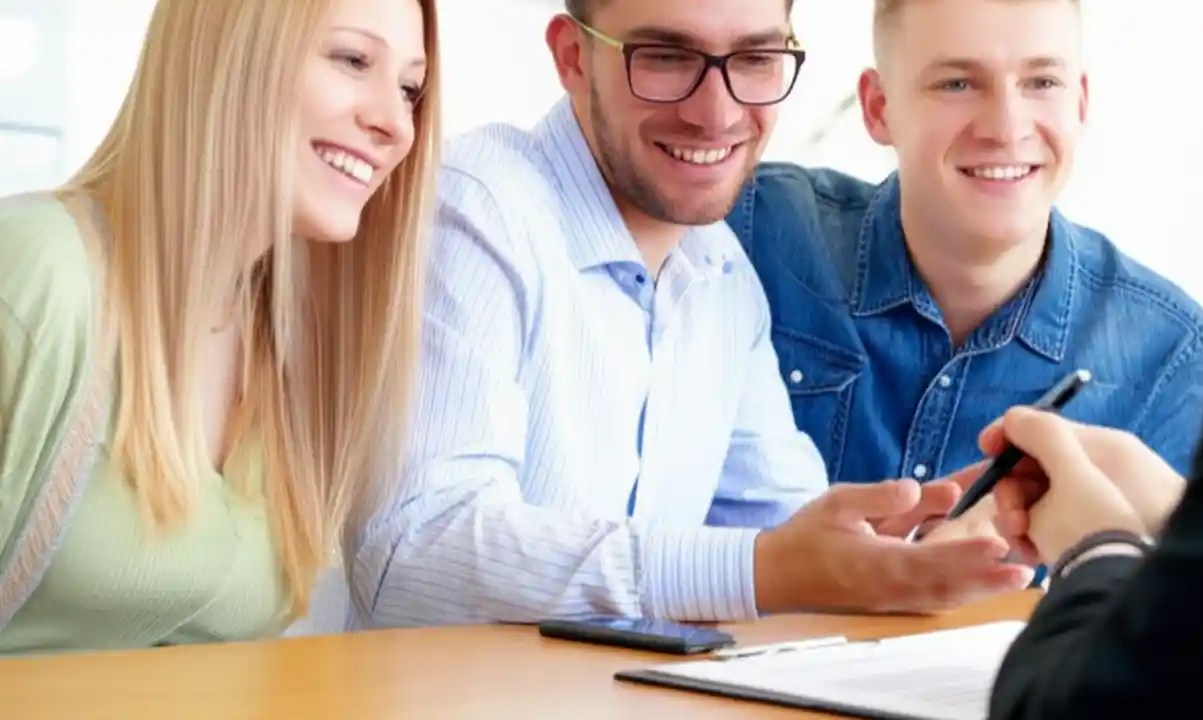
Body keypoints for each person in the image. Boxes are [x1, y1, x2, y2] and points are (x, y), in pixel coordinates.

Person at [347, 0, 1033, 629]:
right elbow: (413, 556)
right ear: (571, 58)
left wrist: (918, 538)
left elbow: (787, 532)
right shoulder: (475, 208)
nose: (717, 113)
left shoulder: (723, 275)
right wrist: (767, 569)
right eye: (666, 57)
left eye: (756, 59)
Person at [0, 0, 440, 655]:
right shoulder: (41, 276)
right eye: (353, 60)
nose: (395, 124)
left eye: (410, 89)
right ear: (231, 48)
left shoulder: (284, 345)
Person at [724, 0, 1203, 525]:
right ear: (878, 108)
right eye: (957, 83)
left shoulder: (1168, 350)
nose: (1006, 128)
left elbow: (1172, 597)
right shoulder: (750, 233)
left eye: (1042, 83)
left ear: (1080, 102)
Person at [971, 139, 1203, 716]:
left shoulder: (1169, 331)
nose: (1005, 126)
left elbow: (1099, 702)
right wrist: (1177, 511)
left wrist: (1096, 549)